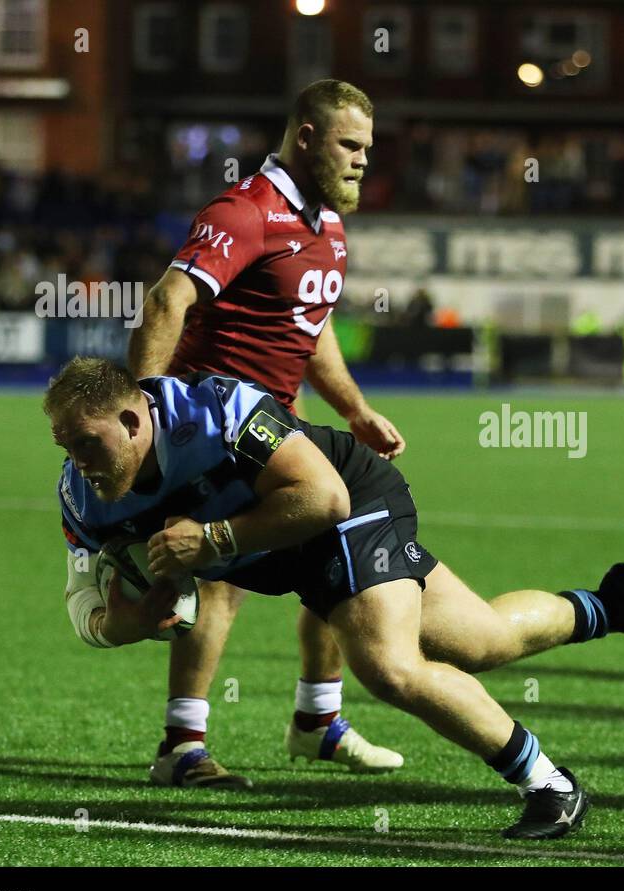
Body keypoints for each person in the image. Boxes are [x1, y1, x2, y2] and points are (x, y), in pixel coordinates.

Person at [48, 359, 624, 838]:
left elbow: (323, 497)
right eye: (66, 447)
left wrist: (215, 539)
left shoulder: (217, 411)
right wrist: (131, 621)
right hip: (289, 553)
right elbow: (85, 608)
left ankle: (551, 786)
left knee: (388, 666)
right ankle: (613, 604)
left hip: (350, 506)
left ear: (134, 420)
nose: (80, 459)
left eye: (89, 442)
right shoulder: (82, 498)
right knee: (481, 641)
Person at [125, 80, 406, 786]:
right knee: (222, 578)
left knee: (340, 549)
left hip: (277, 425)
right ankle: (184, 747)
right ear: (306, 138)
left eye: (368, 148)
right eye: (350, 145)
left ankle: (315, 720)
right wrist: (149, 420)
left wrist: (354, 409)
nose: (362, 160)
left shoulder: (327, 224)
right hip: (215, 430)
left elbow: (310, 328)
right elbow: (167, 299)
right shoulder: (246, 210)